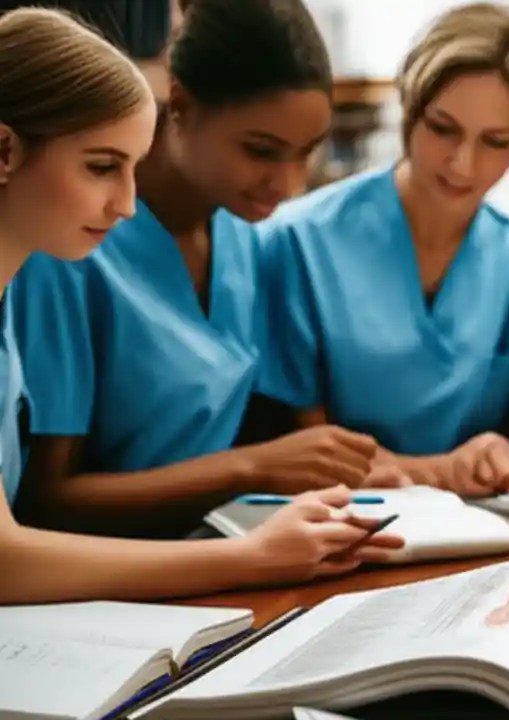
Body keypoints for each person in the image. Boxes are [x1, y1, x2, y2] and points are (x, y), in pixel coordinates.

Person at [0, 8, 400, 604]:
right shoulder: (62, 263)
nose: (127, 206)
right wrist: (251, 541)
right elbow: (23, 533)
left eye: (306, 152)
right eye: (103, 166)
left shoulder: (244, 244)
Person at [255, 2, 509, 497]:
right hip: (335, 521)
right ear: (409, 107)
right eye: (443, 129)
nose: (462, 164)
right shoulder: (300, 242)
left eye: (496, 141)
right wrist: (437, 472)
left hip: (481, 528)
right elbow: (299, 446)